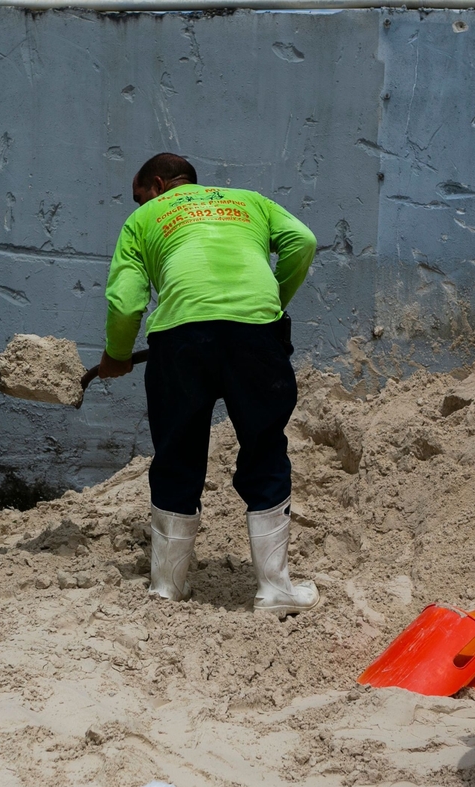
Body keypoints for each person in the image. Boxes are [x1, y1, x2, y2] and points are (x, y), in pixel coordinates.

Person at [99, 153, 320, 616]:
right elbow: (303, 241)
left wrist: (117, 354)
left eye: (140, 196)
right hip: (257, 333)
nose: (138, 205)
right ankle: (276, 591)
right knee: (264, 448)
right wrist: (271, 302)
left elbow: (124, 301)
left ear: (157, 185)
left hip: (180, 336)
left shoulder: (145, 219)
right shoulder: (250, 202)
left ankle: (166, 588)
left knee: (177, 450)